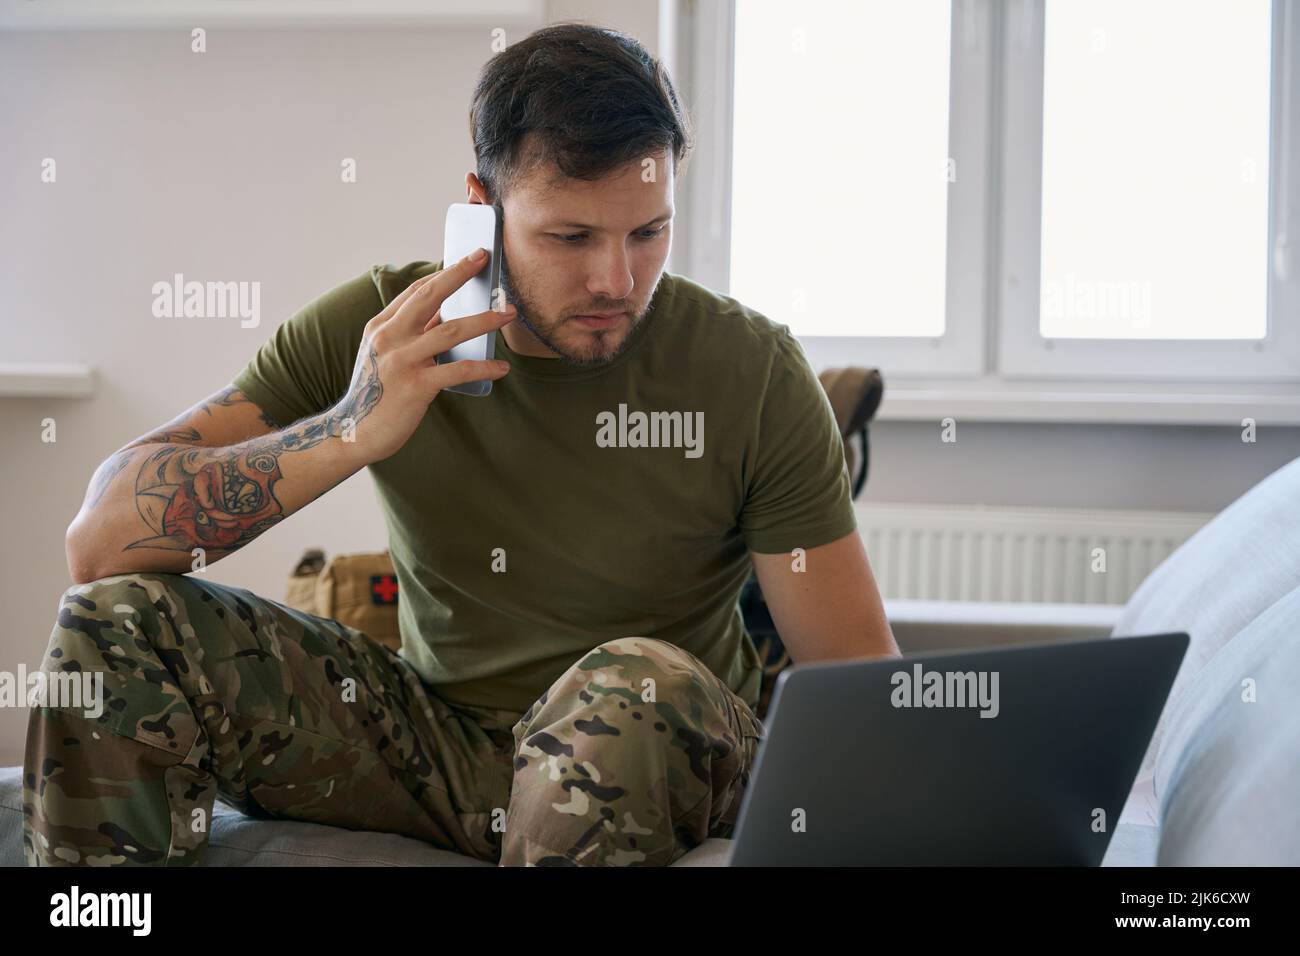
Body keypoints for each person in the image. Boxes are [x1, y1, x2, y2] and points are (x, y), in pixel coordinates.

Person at [24, 22, 898, 868]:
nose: (616, 280)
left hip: (653, 742)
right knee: (119, 622)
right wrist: (348, 430)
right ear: (482, 207)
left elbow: (856, 677)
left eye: (648, 232)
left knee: (630, 685)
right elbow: (99, 546)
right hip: (439, 744)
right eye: (570, 237)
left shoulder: (751, 369)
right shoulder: (384, 328)